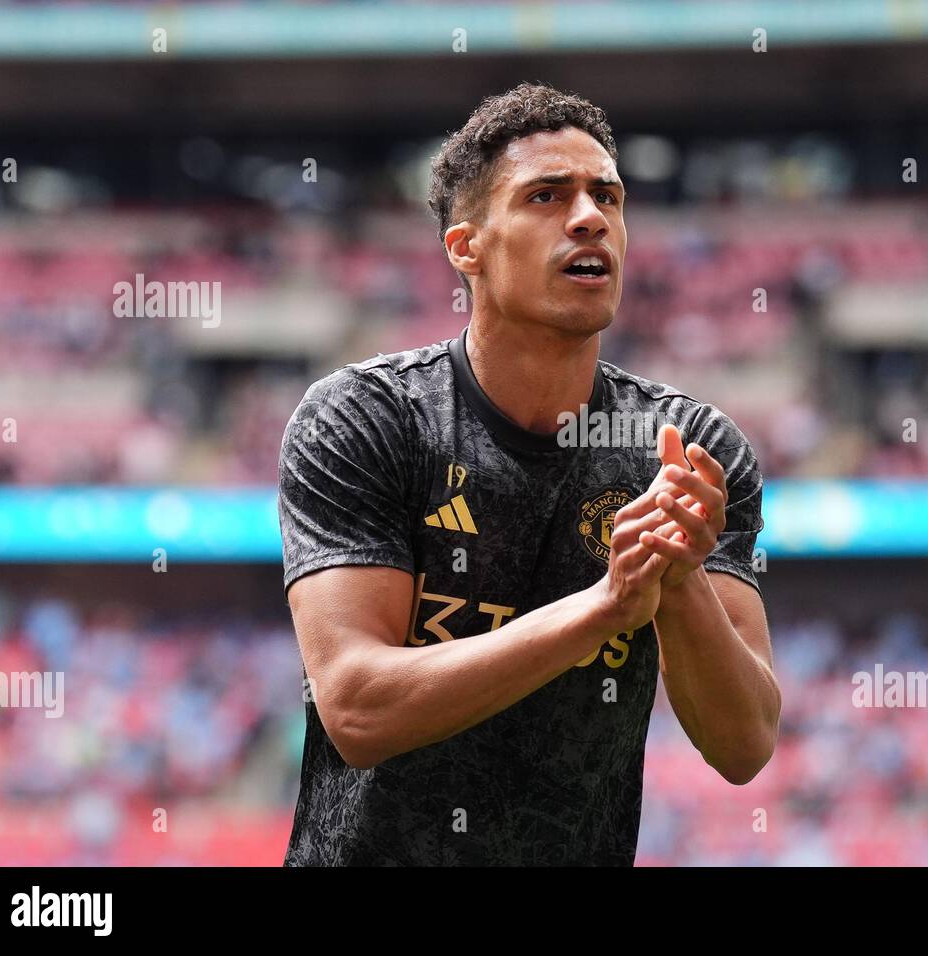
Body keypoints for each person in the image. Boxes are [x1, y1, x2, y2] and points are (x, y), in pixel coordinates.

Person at [277, 82, 780, 865]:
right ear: (466, 246)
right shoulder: (366, 418)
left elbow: (744, 745)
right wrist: (607, 606)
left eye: (607, 197)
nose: (590, 218)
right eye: (546, 196)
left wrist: (677, 581)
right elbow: (359, 710)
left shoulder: (685, 447)